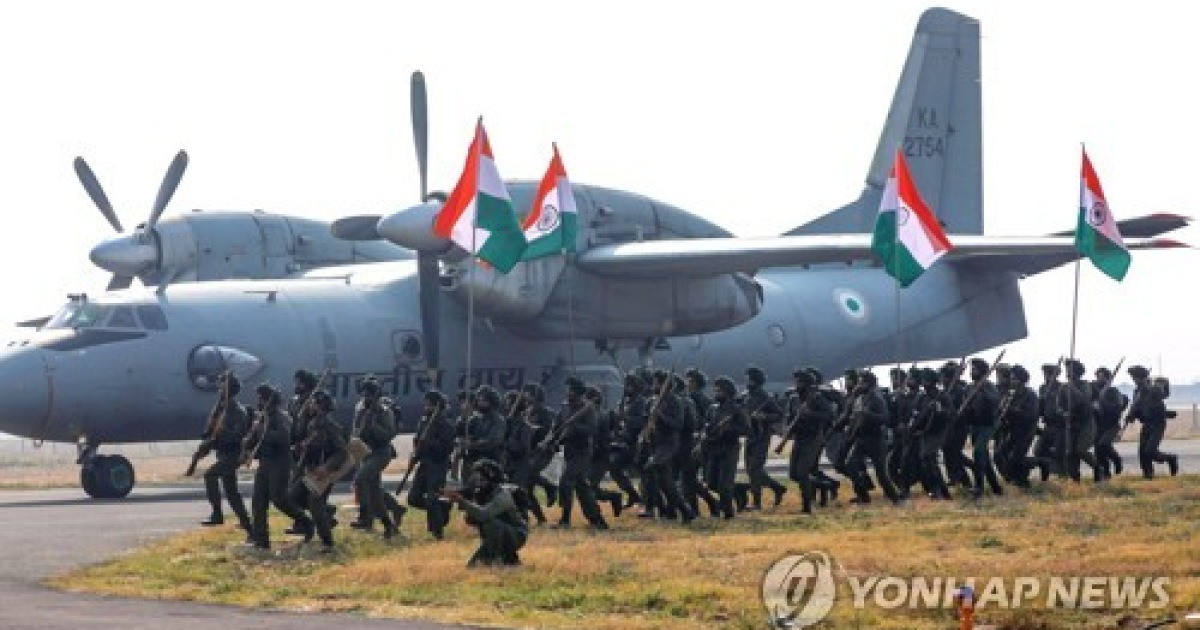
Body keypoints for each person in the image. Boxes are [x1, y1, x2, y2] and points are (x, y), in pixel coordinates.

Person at [244, 383, 307, 549]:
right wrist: (249, 440)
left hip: (279, 463)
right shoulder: (262, 417)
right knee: (258, 502)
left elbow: (284, 439)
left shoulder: (281, 417)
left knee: (279, 500)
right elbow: (255, 440)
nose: (258, 401)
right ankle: (261, 540)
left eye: (261, 398)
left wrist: (263, 430)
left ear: (268, 400)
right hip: (264, 463)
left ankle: (306, 522)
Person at [542, 377, 610, 530]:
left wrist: (575, 426)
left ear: (577, 392)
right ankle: (597, 520)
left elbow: (591, 429)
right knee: (582, 488)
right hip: (570, 451)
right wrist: (551, 440)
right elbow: (557, 426)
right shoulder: (565, 407)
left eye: (570, 390)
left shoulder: (587, 408)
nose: (567, 392)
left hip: (582, 452)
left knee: (566, 482)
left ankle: (565, 520)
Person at [442, 458, 529, 568]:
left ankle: (493, 558)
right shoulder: (483, 493)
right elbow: (473, 518)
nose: (478, 482)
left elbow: (484, 514)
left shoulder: (503, 495)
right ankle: (508, 559)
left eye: (481, 479)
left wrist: (461, 501)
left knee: (491, 524)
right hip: (506, 532)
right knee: (487, 524)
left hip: (517, 535)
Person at [287, 389, 344, 552]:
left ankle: (328, 543)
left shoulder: (330, 426)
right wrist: (300, 448)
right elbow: (307, 445)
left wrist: (326, 467)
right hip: (309, 470)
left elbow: (342, 452)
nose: (310, 405)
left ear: (320, 405)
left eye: (313, 402)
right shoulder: (312, 423)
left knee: (315, 505)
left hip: (323, 473)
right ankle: (317, 520)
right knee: (291, 498)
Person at [349, 376, 404, 538]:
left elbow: (389, 434)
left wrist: (374, 426)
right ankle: (388, 524)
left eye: (369, 395)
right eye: (364, 394)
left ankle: (366, 516)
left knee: (360, 479)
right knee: (374, 491)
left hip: (380, 452)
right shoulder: (359, 409)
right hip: (364, 451)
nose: (366, 398)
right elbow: (355, 430)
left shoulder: (384, 411)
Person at [199, 373, 252, 533]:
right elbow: (210, 429)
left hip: (233, 454)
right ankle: (247, 524)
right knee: (231, 491)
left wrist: (222, 432)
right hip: (223, 453)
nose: (219, 389)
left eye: (222, 386)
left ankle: (217, 514)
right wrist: (207, 440)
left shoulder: (237, 411)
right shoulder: (220, 408)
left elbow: (238, 435)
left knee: (210, 475)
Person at [841, 370, 900, 505]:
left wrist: (867, 414)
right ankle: (864, 497)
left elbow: (885, 417)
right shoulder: (859, 397)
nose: (858, 385)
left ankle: (895, 499)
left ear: (868, 383)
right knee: (851, 465)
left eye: (862, 382)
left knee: (881, 474)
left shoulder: (876, 398)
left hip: (875, 439)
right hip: (861, 438)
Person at [779, 368, 833, 514]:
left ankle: (806, 506)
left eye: (799, 382)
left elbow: (828, 415)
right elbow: (788, 417)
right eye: (796, 382)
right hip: (799, 438)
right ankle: (822, 485)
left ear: (806, 384)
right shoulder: (794, 399)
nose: (796, 385)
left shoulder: (817, 398)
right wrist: (787, 430)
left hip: (812, 438)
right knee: (793, 475)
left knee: (802, 472)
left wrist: (810, 414)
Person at [406, 390, 456, 539]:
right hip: (424, 464)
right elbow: (418, 441)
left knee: (432, 498)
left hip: (438, 464)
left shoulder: (445, 424)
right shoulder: (423, 421)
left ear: (437, 407)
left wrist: (429, 442)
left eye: (430, 406)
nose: (426, 408)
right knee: (413, 498)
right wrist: (416, 453)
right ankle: (443, 508)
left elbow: (446, 448)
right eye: (425, 405)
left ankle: (437, 530)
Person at [701, 376, 748, 518]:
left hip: (729, 448)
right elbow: (706, 423)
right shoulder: (712, 408)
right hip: (714, 447)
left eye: (719, 391)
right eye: (715, 391)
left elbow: (746, 429)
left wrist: (728, 429)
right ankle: (738, 491)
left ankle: (728, 513)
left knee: (724, 485)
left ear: (727, 392)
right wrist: (708, 429)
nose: (716, 394)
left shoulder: (736, 409)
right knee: (712, 483)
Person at [741, 365, 786, 510]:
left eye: (749, 379)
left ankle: (756, 503)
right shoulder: (747, 395)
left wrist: (764, 416)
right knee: (751, 470)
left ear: (755, 381)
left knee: (755, 470)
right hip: (750, 436)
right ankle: (777, 487)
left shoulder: (764, 396)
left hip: (761, 436)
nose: (746, 381)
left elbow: (779, 414)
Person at [1126, 365, 1179, 478]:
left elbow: (1164, 394)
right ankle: (1148, 476)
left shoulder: (1153, 389)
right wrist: (1131, 416)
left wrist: (1151, 387)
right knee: (1142, 452)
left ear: (1142, 378)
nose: (1134, 380)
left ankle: (1171, 459)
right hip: (1147, 423)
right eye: (1133, 378)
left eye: (1136, 378)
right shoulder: (1137, 392)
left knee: (1150, 451)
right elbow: (1137, 407)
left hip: (1157, 424)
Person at [962, 358, 1003, 498]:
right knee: (983, 456)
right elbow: (967, 406)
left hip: (987, 425)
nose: (971, 372)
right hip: (975, 425)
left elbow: (994, 401)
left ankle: (978, 486)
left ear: (982, 372)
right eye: (971, 369)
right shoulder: (969, 387)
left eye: (974, 370)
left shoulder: (989, 387)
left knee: (979, 451)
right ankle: (996, 488)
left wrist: (983, 390)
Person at [1058, 359, 1099, 483]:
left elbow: (1084, 399)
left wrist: (1073, 389)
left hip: (1086, 423)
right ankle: (1075, 478)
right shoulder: (1063, 387)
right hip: (1071, 423)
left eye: (1070, 370)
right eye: (1067, 370)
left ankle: (1098, 469)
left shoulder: (1085, 385)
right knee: (1070, 452)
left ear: (1077, 372)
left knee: (1081, 450)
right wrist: (1063, 413)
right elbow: (1058, 405)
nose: (1068, 372)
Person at [1091, 366, 1126, 477]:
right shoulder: (1093, 390)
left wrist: (1103, 402)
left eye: (1102, 377)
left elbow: (1117, 408)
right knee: (1098, 452)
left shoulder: (1113, 392)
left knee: (1104, 444)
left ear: (1108, 379)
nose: (1099, 379)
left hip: (1111, 425)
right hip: (1098, 425)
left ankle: (1116, 460)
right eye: (1098, 376)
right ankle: (1105, 474)